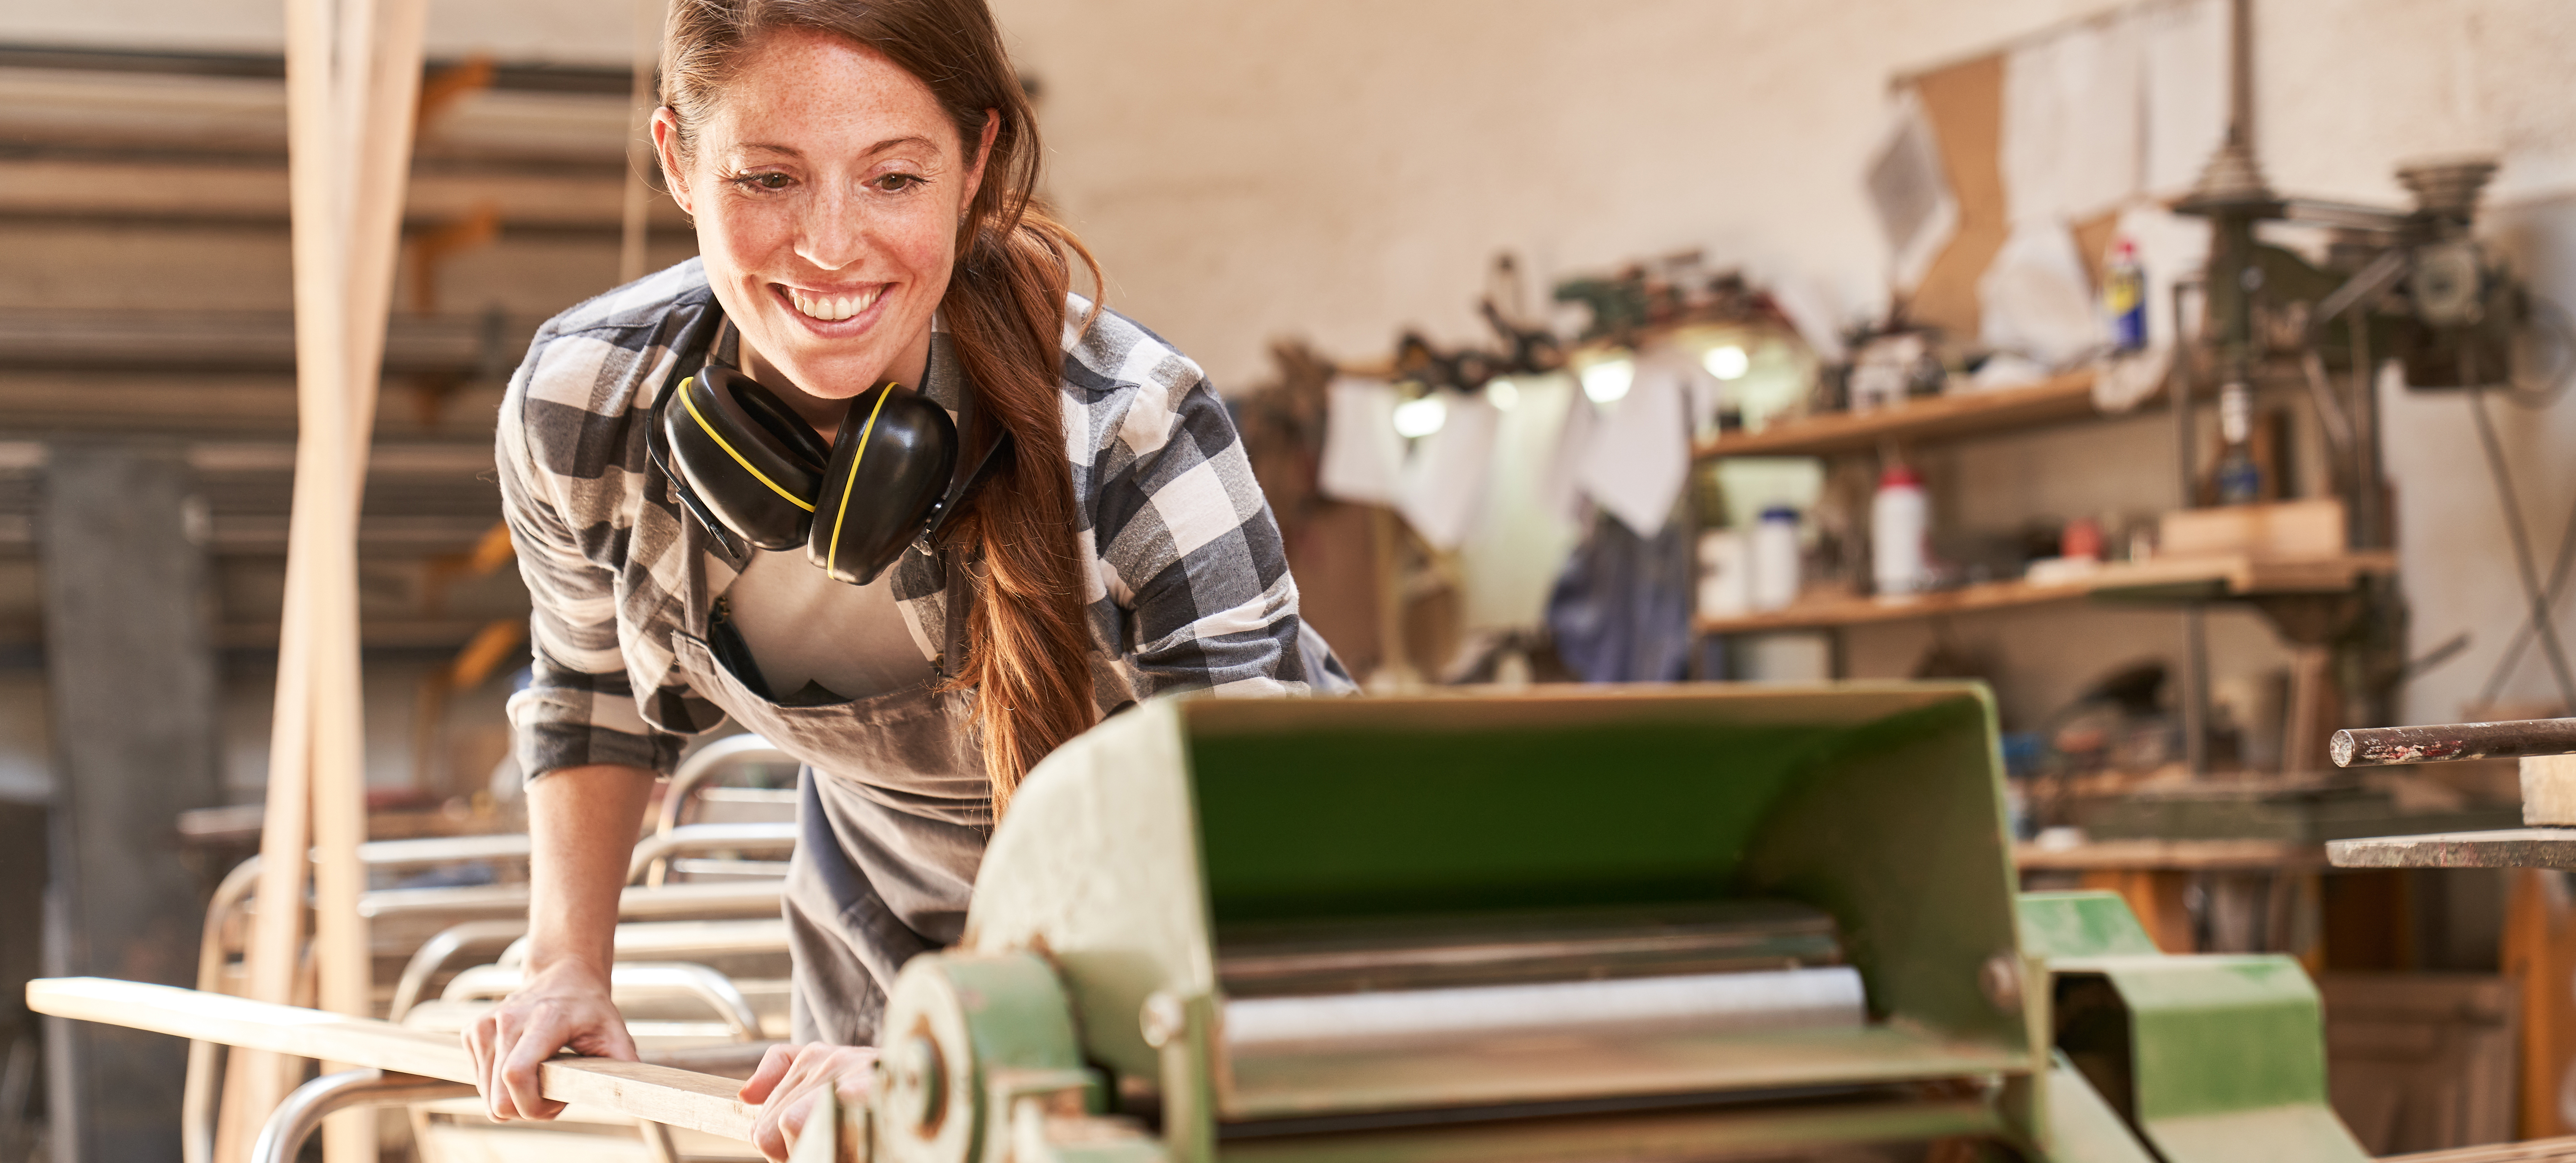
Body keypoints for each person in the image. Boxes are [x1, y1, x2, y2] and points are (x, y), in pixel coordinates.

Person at [464, 1, 1345, 1156]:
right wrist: (565, 964)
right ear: (678, 161)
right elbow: (591, 689)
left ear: (976, 166)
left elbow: (1244, 832)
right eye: (769, 179)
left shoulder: (1133, 435)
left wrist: (971, 1041)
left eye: (893, 179)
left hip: (1197, 921)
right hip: (879, 912)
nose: (830, 246)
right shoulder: (585, 408)